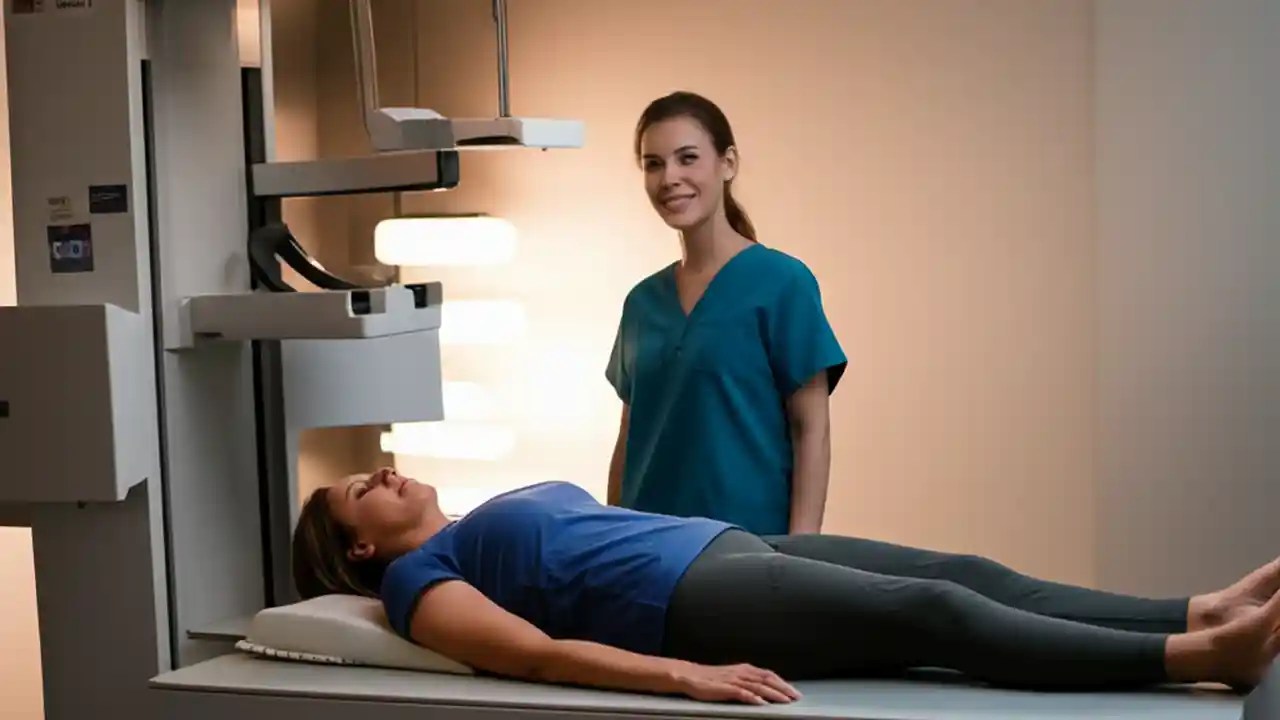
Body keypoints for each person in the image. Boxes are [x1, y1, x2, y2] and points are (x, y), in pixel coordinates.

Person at [292, 467, 1280, 705]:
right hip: (694, 607)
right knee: (930, 617)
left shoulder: (467, 524)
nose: (381, 473)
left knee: (959, 571)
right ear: (360, 552)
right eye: (359, 492)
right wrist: (687, 678)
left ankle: (1198, 607)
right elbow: (535, 658)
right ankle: (1197, 657)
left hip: (727, 545)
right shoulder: (421, 581)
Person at [605, 91, 847, 536]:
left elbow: (812, 430)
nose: (669, 177)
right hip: (648, 553)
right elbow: (628, 439)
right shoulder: (642, 302)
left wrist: (799, 557)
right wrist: (608, 545)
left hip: (748, 553)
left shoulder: (782, 283)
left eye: (687, 158)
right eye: (653, 164)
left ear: (727, 163)